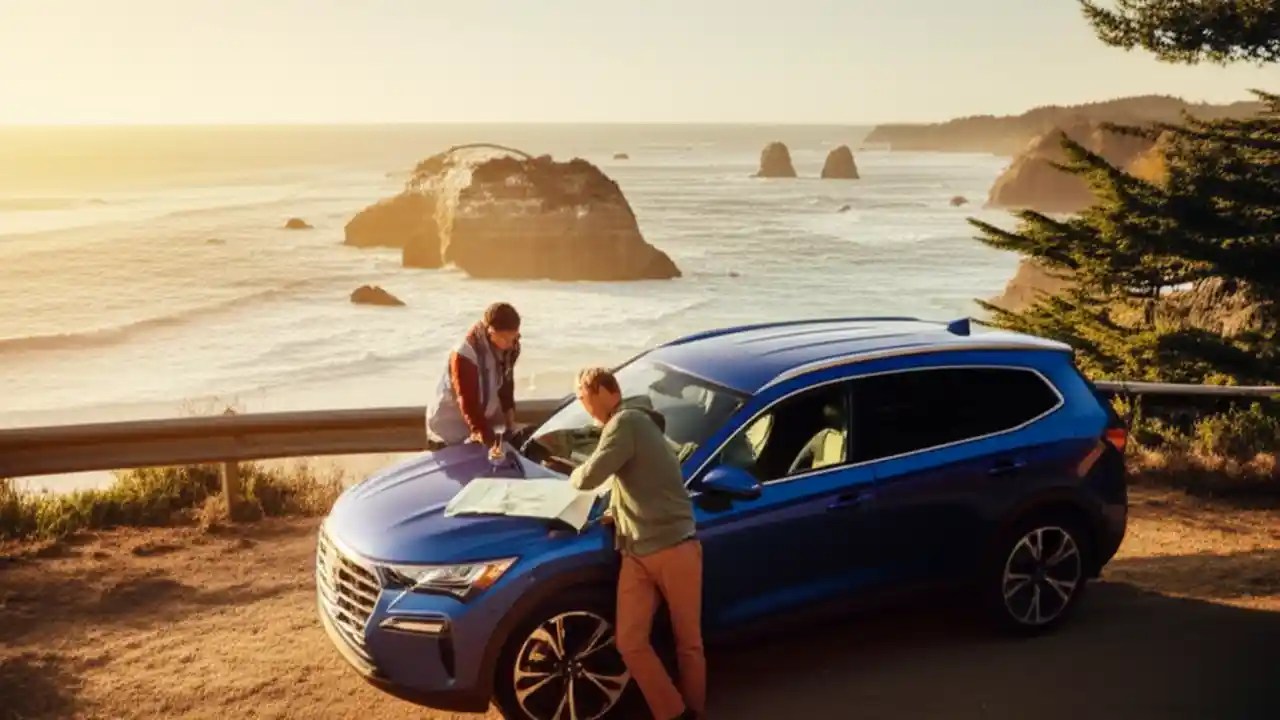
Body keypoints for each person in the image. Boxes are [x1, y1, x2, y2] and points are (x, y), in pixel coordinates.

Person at [566, 367, 704, 720]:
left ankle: (696, 710)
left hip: (673, 547)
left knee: (688, 643)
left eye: (583, 397)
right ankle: (674, 713)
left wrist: (571, 474)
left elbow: (590, 476)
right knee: (630, 642)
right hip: (636, 553)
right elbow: (633, 476)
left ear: (602, 391)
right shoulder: (633, 424)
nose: (583, 406)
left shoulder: (626, 421)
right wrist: (615, 511)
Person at [424, 302, 521, 455]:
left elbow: (506, 385)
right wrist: (485, 436)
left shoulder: (511, 347)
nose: (510, 344)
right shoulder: (464, 353)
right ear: (490, 331)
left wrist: (509, 423)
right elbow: (467, 401)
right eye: (505, 338)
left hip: (485, 421)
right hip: (449, 429)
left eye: (514, 337)